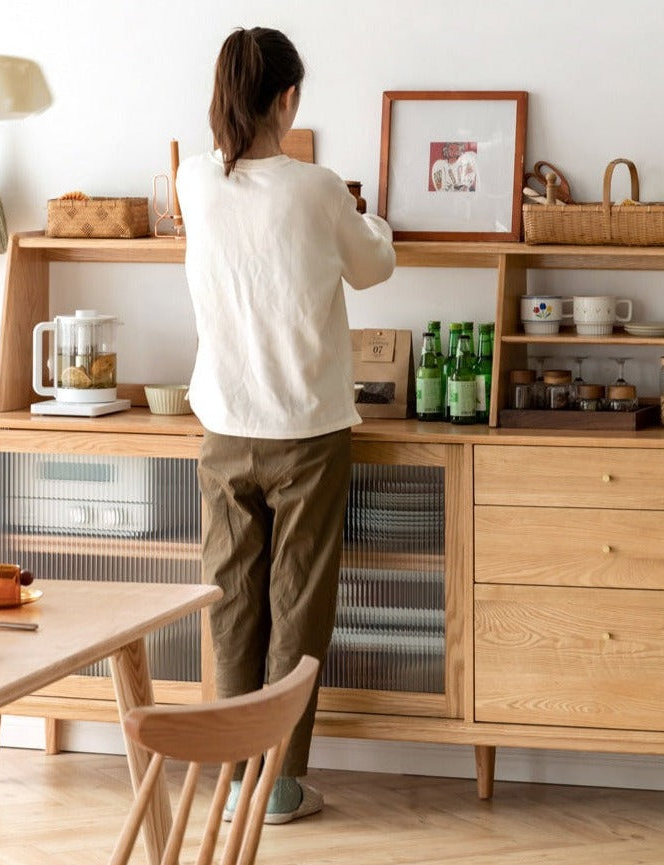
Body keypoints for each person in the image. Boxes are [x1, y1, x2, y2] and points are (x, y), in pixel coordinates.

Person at [176, 26, 395, 824]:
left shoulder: (191, 181)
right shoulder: (317, 186)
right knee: (298, 603)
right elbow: (373, 266)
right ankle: (279, 783)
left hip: (225, 426)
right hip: (307, 429)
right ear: (288, 98)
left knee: (232, 598)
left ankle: (234, 773)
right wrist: (372, 219)